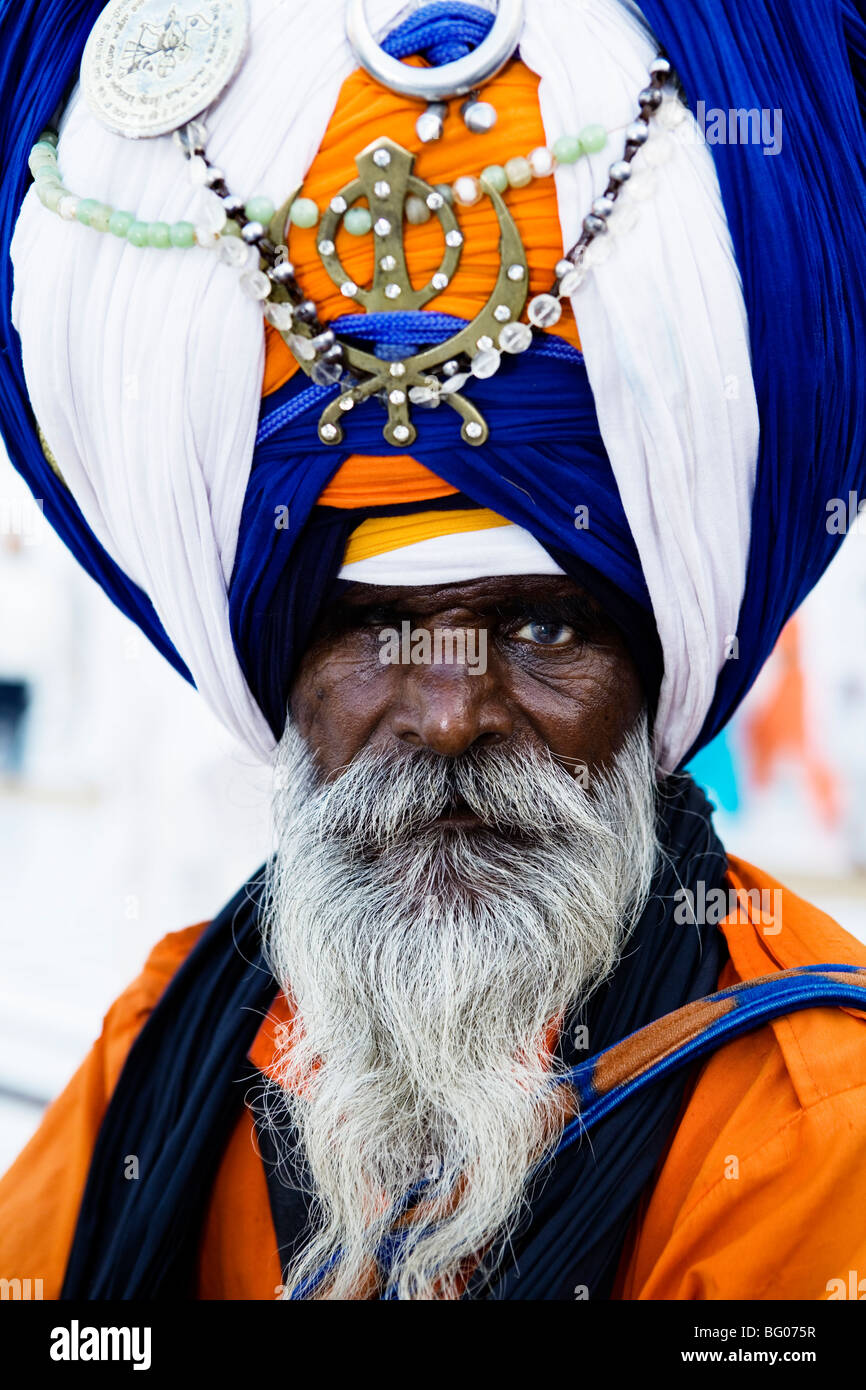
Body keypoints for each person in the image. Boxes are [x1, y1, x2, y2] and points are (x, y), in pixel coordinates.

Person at [0, 0, 865, 1301]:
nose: (449, 712)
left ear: (653, 672)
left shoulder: (814, 1117)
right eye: (366, 631)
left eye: (538, 625)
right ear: (281, 669)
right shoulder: (172, 1038)